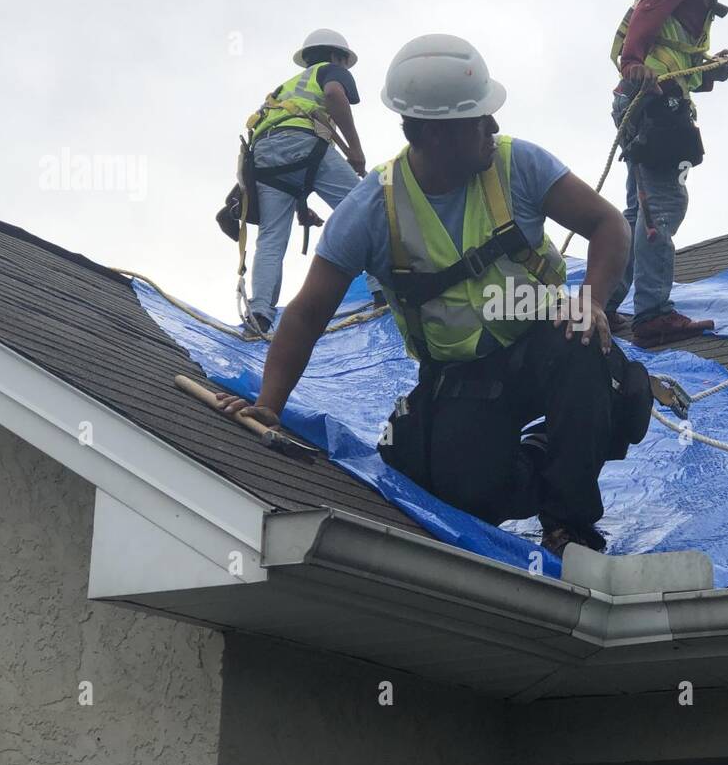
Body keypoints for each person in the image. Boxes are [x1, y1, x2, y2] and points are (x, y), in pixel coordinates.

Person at [219, 34, 651, 556]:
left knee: (594, 362)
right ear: (435, 135)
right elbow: (308, 315)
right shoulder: (372, 209)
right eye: (478, 119)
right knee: (462, 491)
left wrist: (592, 300)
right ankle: (541, 458)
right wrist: (268, 406)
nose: (493, 127)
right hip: (460, 378)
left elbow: (608, 225)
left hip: (544, 344)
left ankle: (569, 524)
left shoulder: (518, 164)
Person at [605, 0, 728, 348]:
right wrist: (634, 61)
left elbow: (675, 55)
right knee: (663, 205)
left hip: (653, 97)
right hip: (651, 101)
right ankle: (654, 314)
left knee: (636, 213)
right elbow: (647, 16)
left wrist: (708, 73)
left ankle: (603, 306)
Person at [242, 28, 373, 334]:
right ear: (336, 55)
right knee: (365, 211)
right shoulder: (332, 71)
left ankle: (259, 316)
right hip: (303, 141)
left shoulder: (283, 88)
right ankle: (383, 291)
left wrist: (300, 203)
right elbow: (333, 95)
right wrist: (356, 149)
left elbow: (287, 153)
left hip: (265, 155)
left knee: (271, 239)